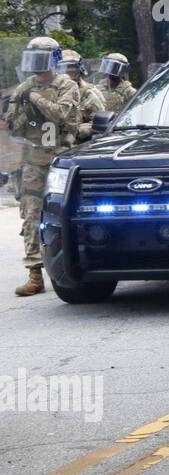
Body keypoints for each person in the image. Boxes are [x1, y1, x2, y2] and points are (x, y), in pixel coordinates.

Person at [4, 36, 79, 296]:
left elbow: (61, 115)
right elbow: (12, 125)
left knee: (66, 213)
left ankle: (72, 268)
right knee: (31, 214)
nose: (36, 65)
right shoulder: (24, 87)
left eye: (42, 58)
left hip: (61, 160)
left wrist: (34, 98)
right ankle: (35, 274)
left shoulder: (66, 85)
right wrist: (22, 109)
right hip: (33, 160)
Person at [59, 50, 106, 142]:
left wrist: (80, 130)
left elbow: (101, 123)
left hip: (79, 146)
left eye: (72, 68)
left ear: (80, 69)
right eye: (65, 68)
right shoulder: (54, 90)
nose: (69, 73)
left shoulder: (89, 92)